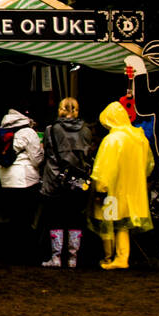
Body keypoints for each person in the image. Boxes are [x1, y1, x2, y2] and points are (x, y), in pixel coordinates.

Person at [88, 101, 154, 270]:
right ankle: (122, 257)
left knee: (108, 223)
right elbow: (149, 165)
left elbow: (103, 167)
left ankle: (108, 258)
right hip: (133, 191)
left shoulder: (112, 140)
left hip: (113, 191)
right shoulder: (140, 138)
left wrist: (100, 188)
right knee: (123, 225)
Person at [39, 97, 95, 268]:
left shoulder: (52, 129)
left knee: (55, 218)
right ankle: (73, 258)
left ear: (60, 109)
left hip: (56, 179)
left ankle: (56, 257)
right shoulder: (86, 130)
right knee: (75, 218)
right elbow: (87, 155)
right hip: (77, 180)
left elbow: (47, 152)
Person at [0, 108, 44, 263]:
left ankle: (10, 253)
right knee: (25, 218)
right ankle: (25, 254)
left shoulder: (3, 131)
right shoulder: (28, 132)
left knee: (12, 217)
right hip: (25, 179)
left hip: (6, 179)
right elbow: (37, 159)